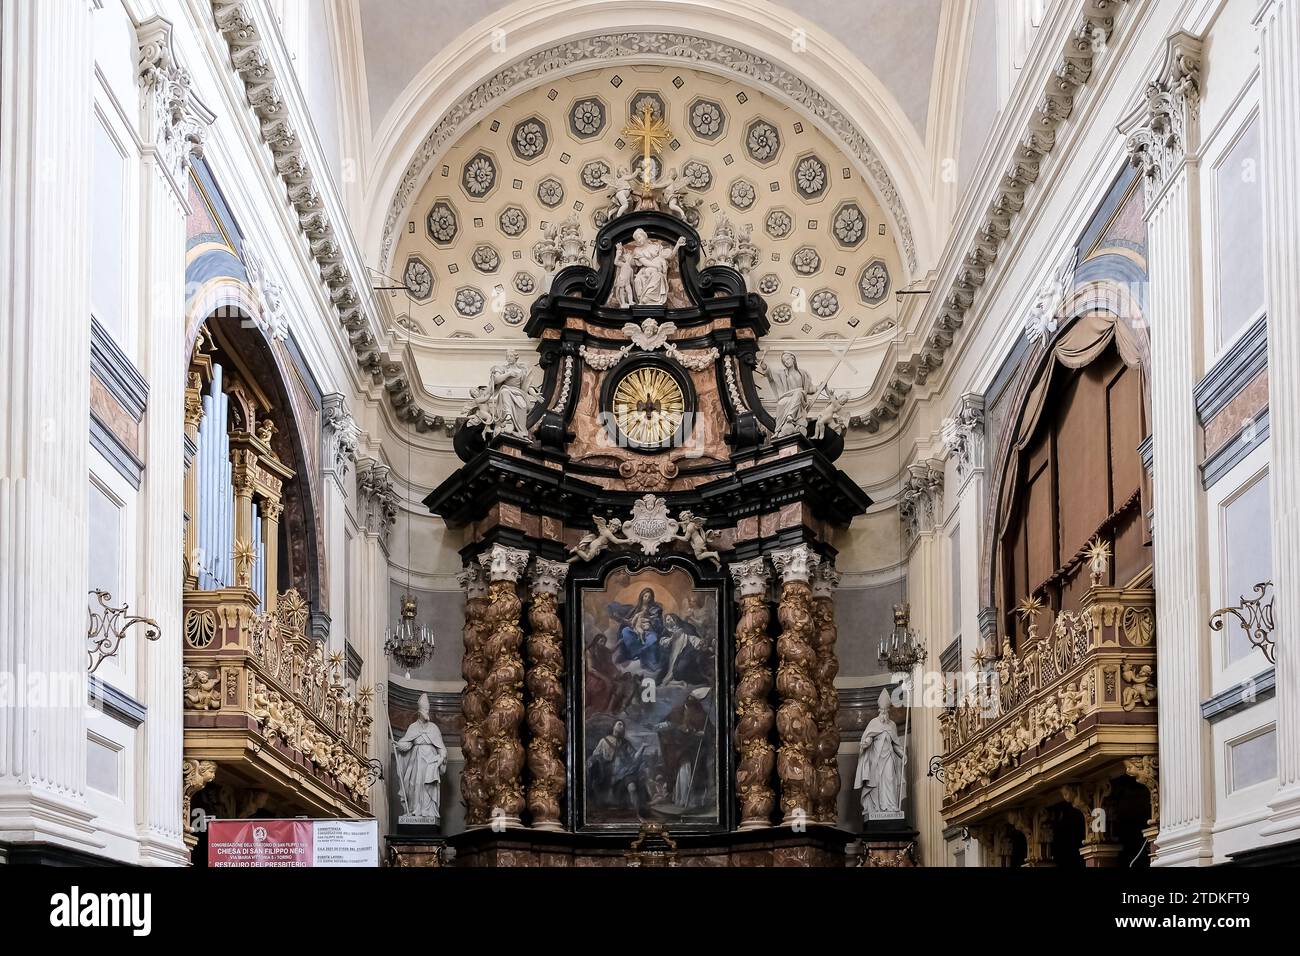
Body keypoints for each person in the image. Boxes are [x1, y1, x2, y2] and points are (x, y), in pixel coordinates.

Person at [393, 693, 446, 822]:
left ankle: (428, 811)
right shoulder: (413, 727)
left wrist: (441, 758)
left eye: (427, 710)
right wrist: (399, 745)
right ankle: (413, 810)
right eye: (424, 710)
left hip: (430, 762)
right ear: (419, 712)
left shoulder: (434, 728)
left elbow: (442, 748)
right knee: (414, 784)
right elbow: (406, 744)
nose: (426, 713)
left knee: (427, 786)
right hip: (416, 761)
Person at [854, 688, 906, 818]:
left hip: (889, 758)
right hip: (875, 761)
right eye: (882, 711)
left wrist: (902, 754)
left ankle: (891, 806)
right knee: (876, 784)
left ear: (888, 711)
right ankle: (876, 808)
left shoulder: (892, 725)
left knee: (889, 779)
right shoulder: (873, 723)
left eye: (886, 711)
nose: (884, 714)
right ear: (879, 711)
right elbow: (868, 738)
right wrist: (865, 744)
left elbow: (896, 744)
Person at [587, 719, 648, 815]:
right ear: (613, 726)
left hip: (624, 773)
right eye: (619, 724)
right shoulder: (604, 741)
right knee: (602, 800)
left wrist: (643, 747)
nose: (622, 727)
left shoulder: (626, 743)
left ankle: (638, 814)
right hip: (607, 773)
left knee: (632, 788)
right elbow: (595, 755)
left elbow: (635, 757)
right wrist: (591, 761)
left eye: (623, 725)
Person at [757, 351, 817, 438]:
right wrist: (764, 365)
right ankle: (778, 430)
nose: (786, 362)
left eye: (787, 359)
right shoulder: (783, 373)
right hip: (788, 397)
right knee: (780, 403)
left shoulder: (802, 373)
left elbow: (810, 388)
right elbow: (770, 373)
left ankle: (790, 415)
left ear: (793, 358)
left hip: (800, 398)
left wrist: (819, 387)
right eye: (784, 361)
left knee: (799, 392)